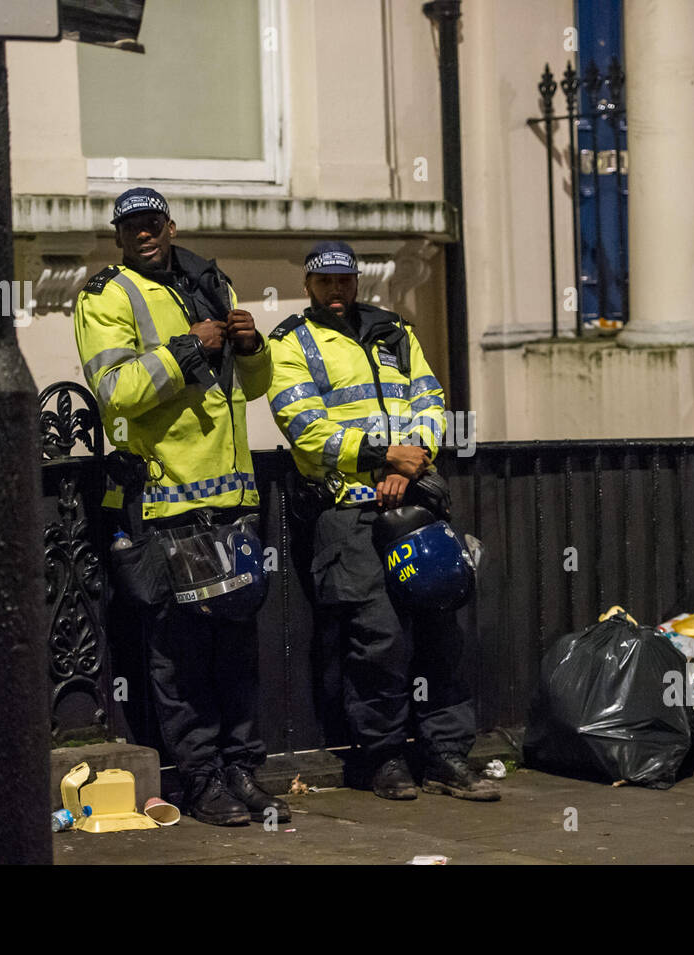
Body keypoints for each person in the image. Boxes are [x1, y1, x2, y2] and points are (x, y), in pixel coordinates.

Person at [73, 187, 289, 827]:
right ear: (118, 237)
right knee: (181, 658)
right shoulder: (105, 294)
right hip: (167, 508)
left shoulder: (207, 278)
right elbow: (116, 392)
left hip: (233, 501)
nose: (142, 234)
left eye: (151, 223)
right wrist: (188, 348)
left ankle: (242, 772)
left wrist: (251, 346)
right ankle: (199, 781)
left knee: (236, 652)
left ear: (169, 226)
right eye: (129, 227)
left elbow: (253, 387)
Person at [266, 240, 498, 802]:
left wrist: (410, 455)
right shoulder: (290, 342)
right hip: (349, 511)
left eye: (344, 280)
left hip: (414, 498)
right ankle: (384, 758)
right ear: (307, 285)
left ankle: (445, 755)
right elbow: (303, 426)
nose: (335, 290)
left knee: (443, 633)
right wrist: (381, 457)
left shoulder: (395, 329)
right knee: (378, 640)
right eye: (324, 282)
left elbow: (430, 400)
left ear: (357, 281)